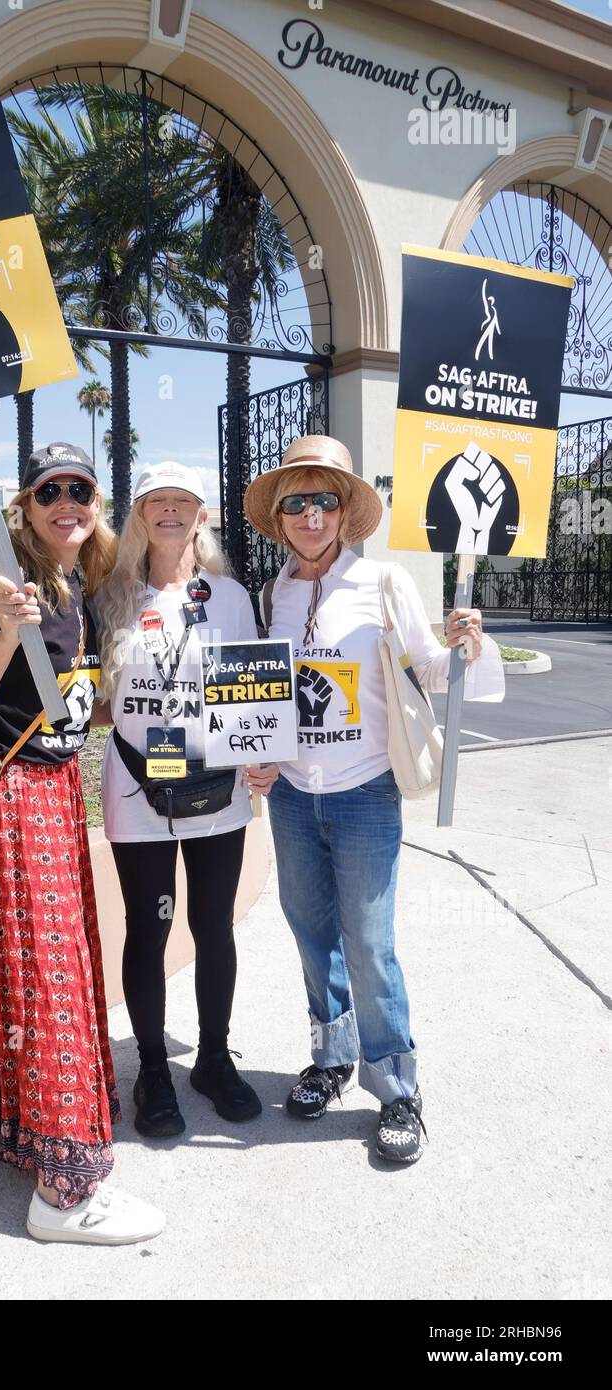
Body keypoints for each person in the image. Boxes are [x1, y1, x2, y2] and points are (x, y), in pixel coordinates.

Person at [0, 441, 164, 1244]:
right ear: (24, 505)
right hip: (8, 798)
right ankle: (64, 1195)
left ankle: (14, 1112)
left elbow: (70, 700)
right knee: (47, 972)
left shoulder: (81, 586)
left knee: (33, 964)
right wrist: (2, 632)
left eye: (82, 489)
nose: (68, 501)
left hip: (53, 788)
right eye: (48, 490)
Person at [243, 435, 504, 1163]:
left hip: (364, 793)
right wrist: (258, 758)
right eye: (295, 502)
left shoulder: (384, 583)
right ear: (280, 516)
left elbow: (433, 670)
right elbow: (261, 695)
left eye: (323, 500)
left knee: (369, 943)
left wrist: (463, 644)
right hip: (294, 796)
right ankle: (330, 1059)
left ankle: (395, 1089)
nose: (309, 515)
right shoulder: (271, 593)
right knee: (311, 936)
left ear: (344, 512)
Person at [96, 462, 276, 1138]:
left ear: (200, 515)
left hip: (216, 784)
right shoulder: (107, 592)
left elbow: (253, 687)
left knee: (212, 924)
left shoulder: (228, 595)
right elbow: (88, 693)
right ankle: (152, 1070)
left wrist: (260, 754)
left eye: (184, 501)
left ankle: (211, 1059)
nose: (170, 511)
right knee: (149, 927)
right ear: (139, 514)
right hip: (138, 782)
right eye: (156, 501)